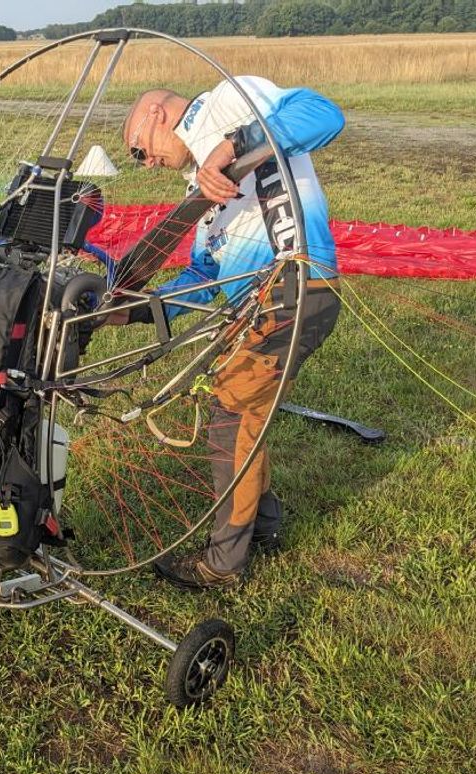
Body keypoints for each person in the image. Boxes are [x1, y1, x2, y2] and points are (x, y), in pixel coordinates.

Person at [120, 77, 345, 590]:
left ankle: (223, 565)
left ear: (157, 113)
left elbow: (325, 114)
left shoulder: (230, 100)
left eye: (139, 150)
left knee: (233, 417)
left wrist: (232, 146)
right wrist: (131, 313)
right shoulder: (201, 190)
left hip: (296, 288)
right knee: (242, 412)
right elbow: (202, 280)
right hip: (261, 304)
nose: (147, 162)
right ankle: (264, 525)